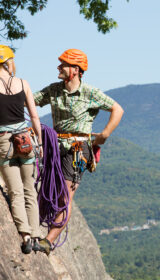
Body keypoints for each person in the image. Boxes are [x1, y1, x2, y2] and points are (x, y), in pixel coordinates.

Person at [34, 49, 124, 255]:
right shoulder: (54, 90)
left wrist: (105, 134)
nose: (59, 67)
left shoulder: (90, 93)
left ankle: (48, 241)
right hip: (55, 145)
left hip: (79, 149)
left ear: (75, 70)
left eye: (63, 64)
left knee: (65, 195)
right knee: (49, 189)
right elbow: (31, 100)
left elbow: (117, 109)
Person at [0, 45, 43, 254]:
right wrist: (41, 143)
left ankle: (25, 235)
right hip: (26, 141)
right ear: (9, 62)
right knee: (29, 191)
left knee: (15, 192)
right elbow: (34, 116)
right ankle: (35, 235)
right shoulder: (23, 83)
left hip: (4, 143)